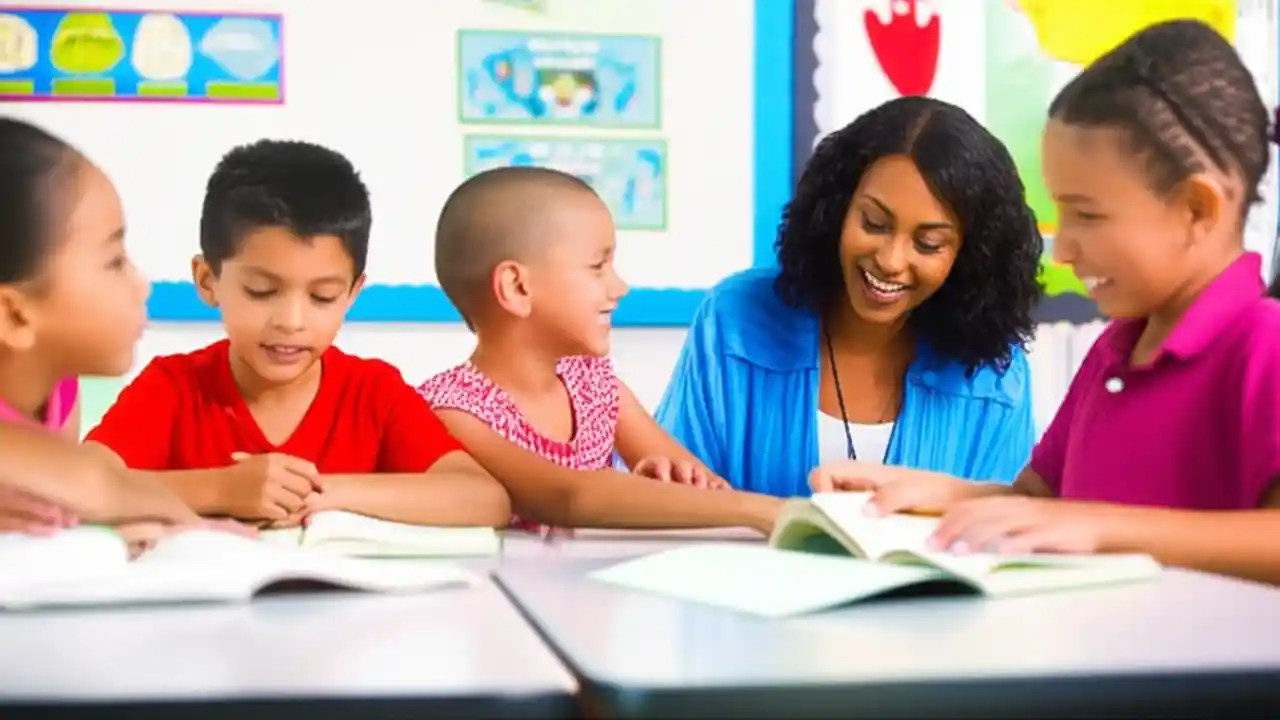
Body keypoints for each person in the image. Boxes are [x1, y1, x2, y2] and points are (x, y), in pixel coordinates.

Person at [812, 20, 1280, 585]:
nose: (1065, 250)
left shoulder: (1264, 346)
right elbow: (1041, 497)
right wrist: (932, 493)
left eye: (1087, 215)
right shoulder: (1117, 348)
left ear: (1196, 210)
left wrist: (1102, 529)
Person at [85, 139, 510, 529]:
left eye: (323, 297)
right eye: (262, 291)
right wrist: (220, 489)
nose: (291, 320)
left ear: (351, 294)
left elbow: (484, 499)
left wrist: (323, 493)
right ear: (207, 280)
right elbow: (75, 485)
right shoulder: (174, 387)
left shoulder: (373, 393)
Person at [656, 96, 1044, 496]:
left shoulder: (993, 373)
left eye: (928, 244)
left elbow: (998, 529)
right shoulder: (736, 319)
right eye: (874, 223)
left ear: (969, 255)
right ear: (838, 208)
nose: (891, 261)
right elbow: (670, 490)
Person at [418, 167, 781, 535]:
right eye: (597, 267)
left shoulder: (598, 388)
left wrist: (673, 480)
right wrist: (764, 508)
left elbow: (705, 490)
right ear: (517, 287)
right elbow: (569, 497)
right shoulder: (447, 412)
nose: (619, 286)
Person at [0, 117, 224, 548]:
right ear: (14, 317)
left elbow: (79, 495)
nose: (142, 285)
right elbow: (90, 484)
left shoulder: (58, 383)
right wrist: (201, 530)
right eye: (114, 261)